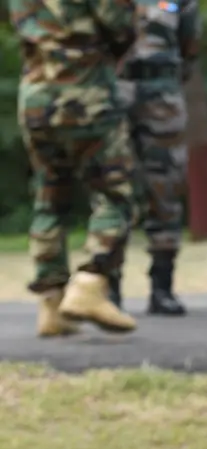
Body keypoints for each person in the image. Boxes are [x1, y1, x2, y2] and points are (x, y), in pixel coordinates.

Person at [12, 0, 140, 337]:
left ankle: (52, 304)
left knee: (50, 194)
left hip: (36, 97)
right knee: (114, 192)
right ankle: (90, 282)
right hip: (86, 94)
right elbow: (120, 25)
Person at [116, 0, 201, 316]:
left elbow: (190, 44)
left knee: (167, 183)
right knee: (112, 184)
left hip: (163, 91)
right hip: (114, 89)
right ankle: (107, 286)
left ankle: (162, 285)